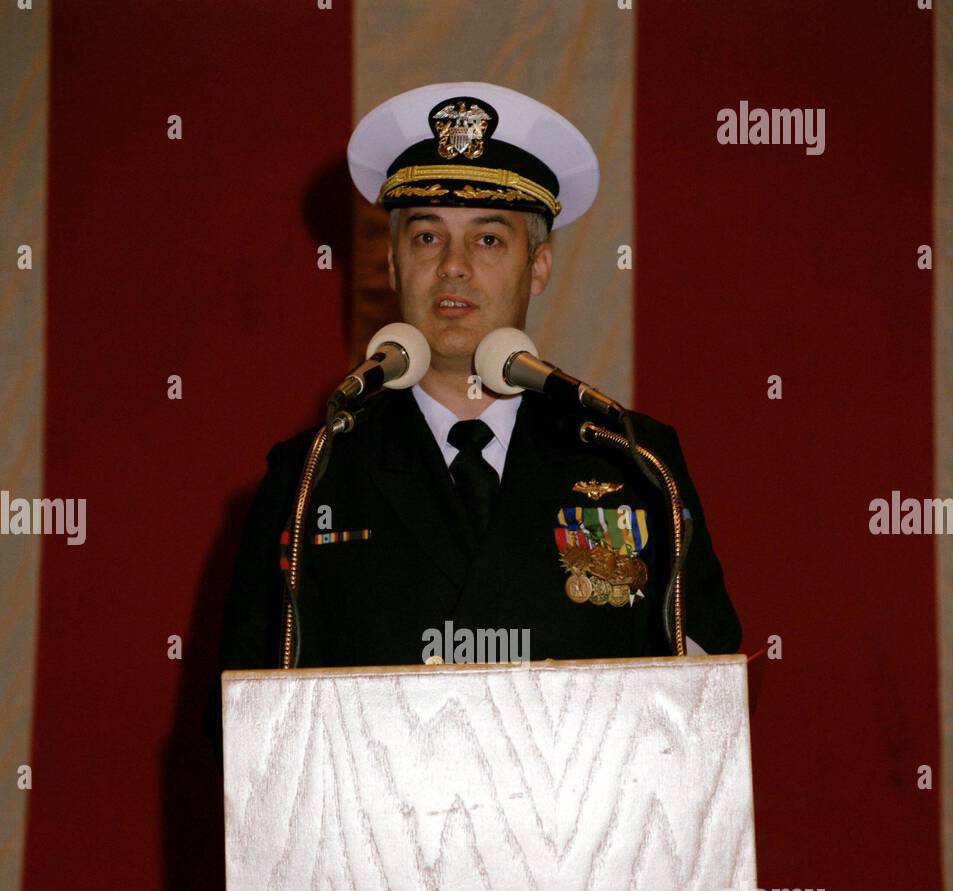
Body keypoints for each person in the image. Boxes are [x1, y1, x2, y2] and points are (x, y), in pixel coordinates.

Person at [215, 81, 741, 687]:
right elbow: (239, 715)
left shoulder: (632, 459)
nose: (453, 265)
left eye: (488, 239)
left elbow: (711, 691)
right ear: (392, 265)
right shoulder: (313, 472)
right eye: (426, 237)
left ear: (537, 267)